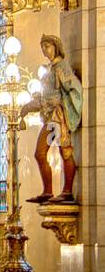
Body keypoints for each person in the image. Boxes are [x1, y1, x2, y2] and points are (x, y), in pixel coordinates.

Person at [27, 35, 83, 203]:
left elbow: (73, 88)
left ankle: (67, 191)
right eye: (42, 46)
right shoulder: (50, 68)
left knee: (64, 150)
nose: (45, 49)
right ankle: (48, 191)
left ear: (56, 46)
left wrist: (62, 102)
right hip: (49, 116)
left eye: (47, 45)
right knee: (40, 153)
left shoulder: (61, 66)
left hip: (58, 116)